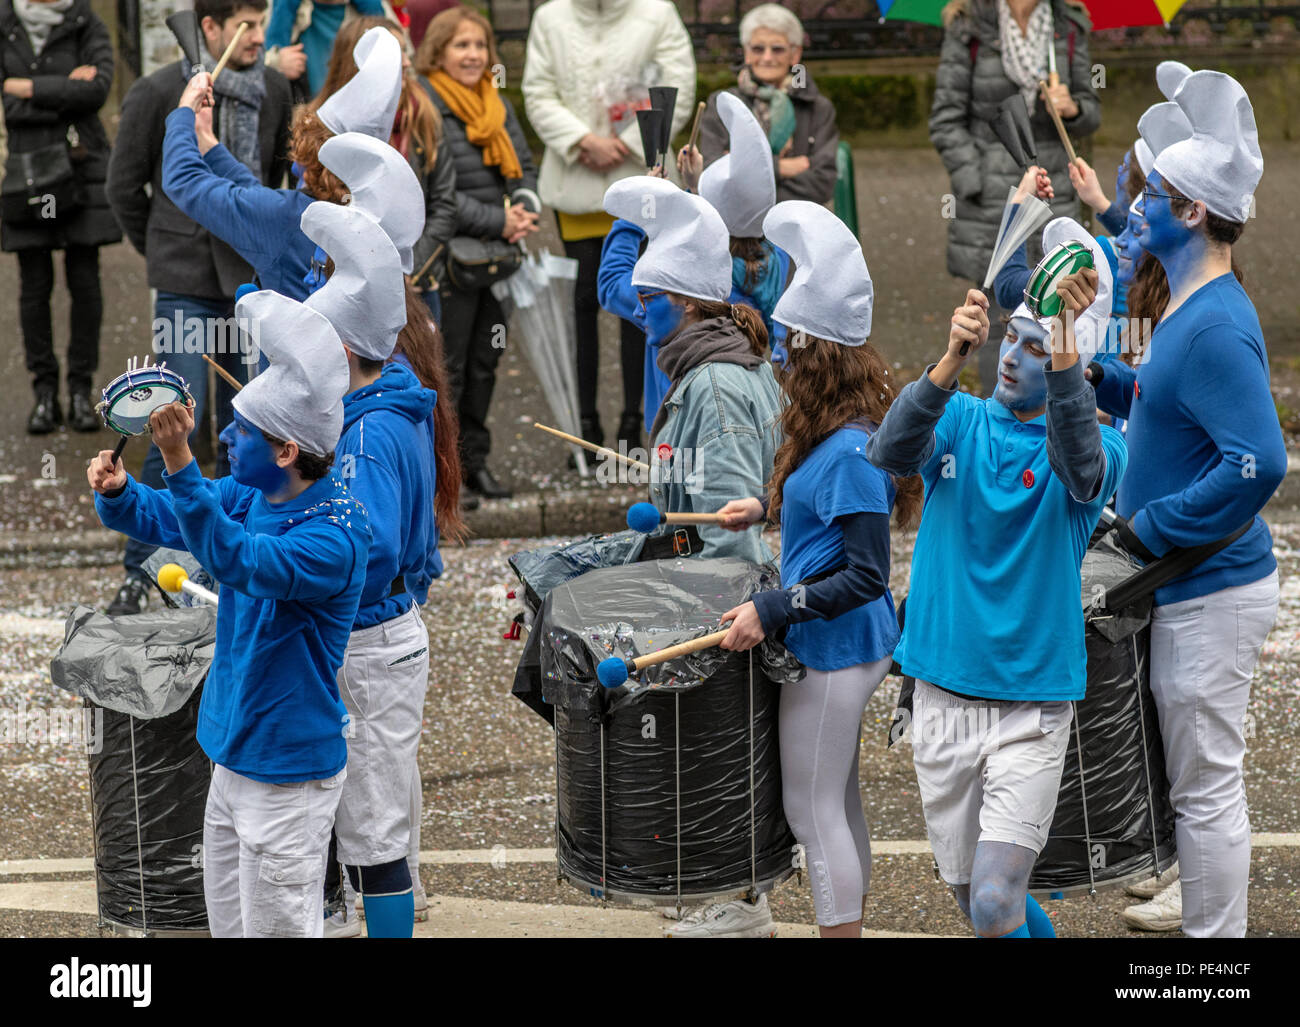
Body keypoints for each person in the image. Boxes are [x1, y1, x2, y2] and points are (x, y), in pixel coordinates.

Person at [88, 288, 369, 938]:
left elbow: (238, 558)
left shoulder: (333, 536)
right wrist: (124, 492)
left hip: (287, 770)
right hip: (234, 750)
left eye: (242, 430)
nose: (224, 434)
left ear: (287, 451)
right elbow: (184, 515)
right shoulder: (256, 488)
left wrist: (180, 460)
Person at [864, 256, 1127, 939]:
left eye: (1036, 348)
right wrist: (950, 359)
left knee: (994, 898)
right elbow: (888, 453)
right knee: (973, 899)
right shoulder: (959, 420)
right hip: (942, 696)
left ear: (1070, 361)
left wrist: (1066, 358)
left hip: (1032, 705)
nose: (1011, 357)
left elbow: (1079, 466)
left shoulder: (1101, 448)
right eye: (1011, 337)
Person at [1091, 70, 1285, 938]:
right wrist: (1110, 379)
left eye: (1153, 197)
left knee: (1207, 789)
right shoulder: (1188, 305)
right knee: (1195, 781)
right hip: (1188, 587)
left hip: (1208, 588)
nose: (1137, 208)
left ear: (1195, 212)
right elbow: (1176, 410)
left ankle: (1212, 964)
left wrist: (1150, 527)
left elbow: (1259, 461)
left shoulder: (1211, 323)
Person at [714, 201, 923, 938]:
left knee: (810, 807)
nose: (777, 367)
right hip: (840, 642)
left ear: (819, 360)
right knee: (838, 800)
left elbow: (865, 573)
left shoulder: (848, 455)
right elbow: (826, 527)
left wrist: (771, 610)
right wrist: (767, 509)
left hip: (836, 648)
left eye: (787, 357)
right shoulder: (839, 437)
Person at [104, 0, 293, 616]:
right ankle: (144, 569)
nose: (259, 36)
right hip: (184, 278)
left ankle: (227, 553)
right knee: (171, 417)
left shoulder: (272, 87)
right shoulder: (160, 90)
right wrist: (161, 249)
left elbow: (266, 179)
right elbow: (123, 186)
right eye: (247, 22)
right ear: (210, 28)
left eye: (264, 22)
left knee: (244, 418)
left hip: (247, 283)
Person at [298, 196, 432, 938]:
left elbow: (373, 547)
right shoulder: (379, 411)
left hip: (373, 639)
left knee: (376, 830)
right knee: (365, 814)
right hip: (378, 632)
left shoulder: (370, 434)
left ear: (345, 352)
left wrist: (303, 565)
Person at [522, 0, 695, 454]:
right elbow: (538, 91)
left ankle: (634, 422)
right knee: (582, 304)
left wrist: (624, 142)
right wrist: (583, 141)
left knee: (641, 306)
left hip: (642, 181)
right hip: (577, 183)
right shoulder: (551, 17)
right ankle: (585, 425)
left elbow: (676, 84)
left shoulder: (657, 13)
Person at [604, 176, 782, 569]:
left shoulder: (715, 388)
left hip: (717, 598)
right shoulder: (724, 360)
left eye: (647, 297)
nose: (637, 311)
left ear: (686, 302)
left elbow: (729, 544)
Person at [161, 26, 408, 303]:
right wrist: (207, 143)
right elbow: (255, 197)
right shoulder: (364, 213)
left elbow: (183, 181)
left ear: (311, 153)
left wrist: (183, 112)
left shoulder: (288, 217)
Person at [929, 0, 1100, 395]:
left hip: (1054, 186)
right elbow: (946, 118)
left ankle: (1049, 420)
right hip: (991, 193)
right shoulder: (969, 25)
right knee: (992, 310)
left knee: (1057, 303)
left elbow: (1091, 111)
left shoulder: (1067, 25)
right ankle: (998, 412)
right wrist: (977, 180)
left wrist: (1072, 107)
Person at [600, 92, 789, 438]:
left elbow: (612, 285)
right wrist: (694, 192)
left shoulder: (678, 293)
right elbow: (726, 227)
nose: (645, 303)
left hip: (674, 437)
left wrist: (635, 219)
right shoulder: (782, 259)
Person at [416, 5, 540, 500]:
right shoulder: (426, 102)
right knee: (452, 368)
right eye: (461, 45)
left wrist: (525, 208)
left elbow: (523, 167)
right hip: (452, 261)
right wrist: (498, 219)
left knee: (488, 361)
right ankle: (448, 473)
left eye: (479, 45)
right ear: (439, 51)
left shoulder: (496, 102)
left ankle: (476, 462)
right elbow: (433, 190)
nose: (473, 55)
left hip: (498, 258)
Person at [2, 0, 120, 435]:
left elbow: (96, 91)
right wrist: (63, 89)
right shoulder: (5, 21)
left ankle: (79, 390)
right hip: (25, 173)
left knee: (84, 282)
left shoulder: (86, 20)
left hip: (79, 167)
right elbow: (5, 101)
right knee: (34, 286)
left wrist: (25, 88)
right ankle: (44, 394)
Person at [313, 15, 456, 324]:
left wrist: (409, 267)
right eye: (394, 53)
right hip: (354, 288)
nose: (406, 63)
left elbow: (444, 201)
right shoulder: (323, 128)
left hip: (417, 284)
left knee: (423, 369)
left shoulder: (424, 117)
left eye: (406, 51)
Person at [698, 4, 838, 207]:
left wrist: (744, 170)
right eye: (758, 48)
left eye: (778, 49)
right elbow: (713, 173)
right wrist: (781, 167)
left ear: (795, 54)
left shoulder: (818, 107)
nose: (767, 57)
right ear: (746, 53)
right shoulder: (723, 104)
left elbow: (822, 183)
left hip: (797, 225)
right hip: (734, 233)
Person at [265, 0, 384, 97]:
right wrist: (275, 64)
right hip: (303, 114)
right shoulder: (282, 8)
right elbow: (256, 63)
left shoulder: (372, 10)